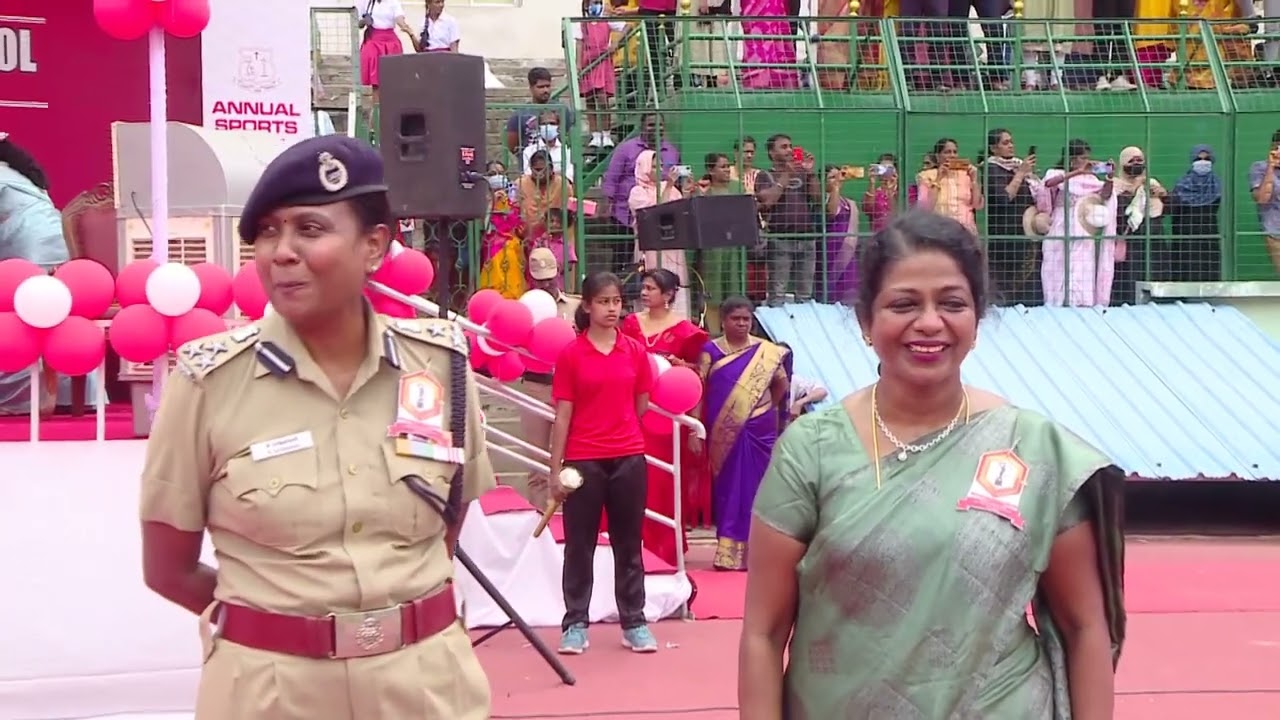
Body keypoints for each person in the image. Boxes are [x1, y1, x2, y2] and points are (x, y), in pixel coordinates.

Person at [138, 136, 494, 719]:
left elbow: (445, 528)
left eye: (309, 229)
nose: (282, 252)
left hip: (425, 686)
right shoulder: (208, 382)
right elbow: (167, 568)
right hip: (271, 692)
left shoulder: (441, 367)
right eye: (268, 233)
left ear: (374, 245)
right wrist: (286, 627)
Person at [738, 210, 1125, 719]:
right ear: (865, 322)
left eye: (952, 303)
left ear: (976, 319)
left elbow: (1085, 627)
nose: (929, 322)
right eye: (904, 304)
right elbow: (764, 634)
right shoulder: (811, 450)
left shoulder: (1033, 449)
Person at [549, 271, 659, 655]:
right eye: (603, 302)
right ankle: (575, 624)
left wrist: (620, 430)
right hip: (583, 461)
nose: (612, 309)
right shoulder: (571, 354)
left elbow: (641, 403)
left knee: (628, 544)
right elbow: (563, 414)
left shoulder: (635, 351)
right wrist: (555, 470)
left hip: (628, 457)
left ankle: (635, 621)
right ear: (587, 305)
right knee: (579, 546)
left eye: (616, 302)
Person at [0, 133, 100, 417]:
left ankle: (26, 396)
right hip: (56, 248)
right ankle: (72, 394)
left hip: (27, 252)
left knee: (22, 316)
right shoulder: (20, 172)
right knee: (56, 318)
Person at [692, 296, 788, 572]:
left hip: (760, 429)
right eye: (736, 319)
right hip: (723, 430)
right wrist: (695, 428)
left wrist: (763, 408)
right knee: (728, 488)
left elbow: (780, 383)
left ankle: (760, 552)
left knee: (760, 487)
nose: (742, 324)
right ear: (723, 321)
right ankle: (727, 553)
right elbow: (699, 390)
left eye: (746, 319)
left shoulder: (766, 352)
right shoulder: (710, 351)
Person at [621, 268, 709, 560]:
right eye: (644, 287)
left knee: (663, 481)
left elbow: (698, 376)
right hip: (635, 411)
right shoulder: (631, 324)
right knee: (634, 477)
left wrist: (680, 365)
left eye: (651, 288)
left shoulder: (687, 332)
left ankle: (665, 546)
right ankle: (634, 543)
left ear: (669, 294)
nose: (644, 293)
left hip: (669, 417)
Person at [519, 247, 582, 509]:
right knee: (537, 462)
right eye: (540, 279)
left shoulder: (576, 306)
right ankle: (538, 517)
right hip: (537, 384)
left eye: (550, 278)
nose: (546, 284)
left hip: (570, 389)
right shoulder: (523, 308)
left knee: (572, 459)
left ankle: (569, 518)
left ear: (559, 274)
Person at [357, 0, 418, 127]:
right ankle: (374, 125)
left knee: (392, 86)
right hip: (374, 43)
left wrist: (406, 28)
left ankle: (388, 123)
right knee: (376, 88)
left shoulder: (393, 2)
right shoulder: (366, 2)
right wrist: (364, 21)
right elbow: (359, 23)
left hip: (390, 44)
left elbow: (399, 18)